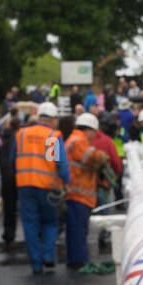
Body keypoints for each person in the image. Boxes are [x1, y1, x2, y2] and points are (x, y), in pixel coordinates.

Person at [13, 101, 68, 275]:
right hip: (47, 187)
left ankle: (36, 264)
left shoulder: (22, 134)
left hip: (25, 185)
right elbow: (59, 163)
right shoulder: (51, 136)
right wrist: (66, 182)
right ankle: (48, 256)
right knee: (50, 223)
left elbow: (12, 159)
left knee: (30, 225)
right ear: (52, 119)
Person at [64, 113, 111, 274]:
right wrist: (103, 156)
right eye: (94, 133)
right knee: (78, 231)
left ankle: (74, 260)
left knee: (75, 230)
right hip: (79, 195)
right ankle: (79, 262)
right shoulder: (79, 140)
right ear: (89, 130)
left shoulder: (72, 139)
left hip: (75, 194)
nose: (94, 137)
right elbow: (92, 157)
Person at [0, 113, 20, 248]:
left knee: (8, 208)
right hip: (18, 176)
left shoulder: (1, 138)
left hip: (5, 177)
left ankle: (8, 234)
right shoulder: (18, 137)